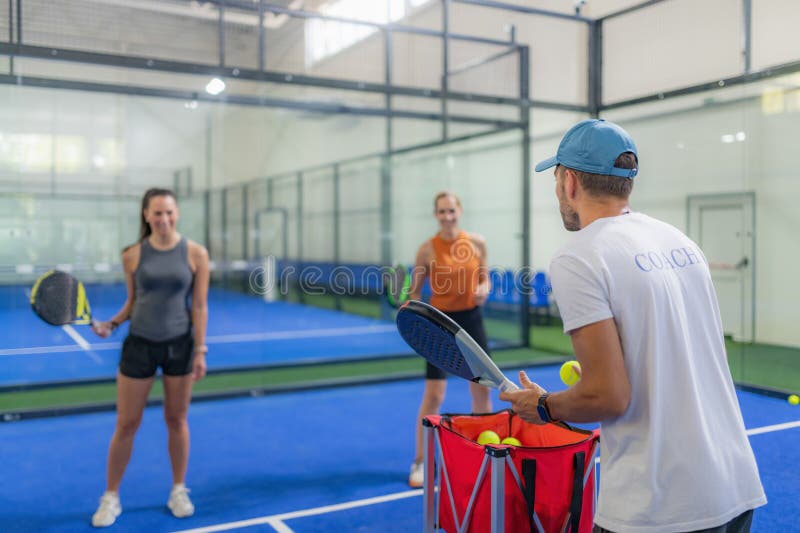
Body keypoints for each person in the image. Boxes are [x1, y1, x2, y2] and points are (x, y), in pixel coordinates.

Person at [499, 119, 766, 532]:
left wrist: (544, 406)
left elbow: (607, 397)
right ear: (627, 183)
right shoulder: (680, 241)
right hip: (734, 487)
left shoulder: (578, 257)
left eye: (555, 179)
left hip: (660, 507)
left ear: (569, 182)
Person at [89, 187, 210, 527]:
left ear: (177, 213)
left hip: (180, 347)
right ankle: (110, 497)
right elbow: (133, 301)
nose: (164, 219)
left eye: (169, 212)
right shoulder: (132, 255)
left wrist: (200, 349)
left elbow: (199, 306)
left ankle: (178, 490)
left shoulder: (197, 254)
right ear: (146, 215)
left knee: (177, 420)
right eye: (157, 213)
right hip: (139, 345)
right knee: (126, 424)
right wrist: (112, 324)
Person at [407, 191, 492, 488]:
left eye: (451, 211)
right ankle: (420, 461)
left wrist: (484, 287)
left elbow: (485, 277)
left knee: (481, 392)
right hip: (440, 324)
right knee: (434, 396)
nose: (447, 217)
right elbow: (414, 292)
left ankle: (484, 454)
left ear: (460, 211)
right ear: (436, 215)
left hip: (472, 323)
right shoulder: (426, 250)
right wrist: (416, 319)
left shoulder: (477, 243)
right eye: (442, 212)